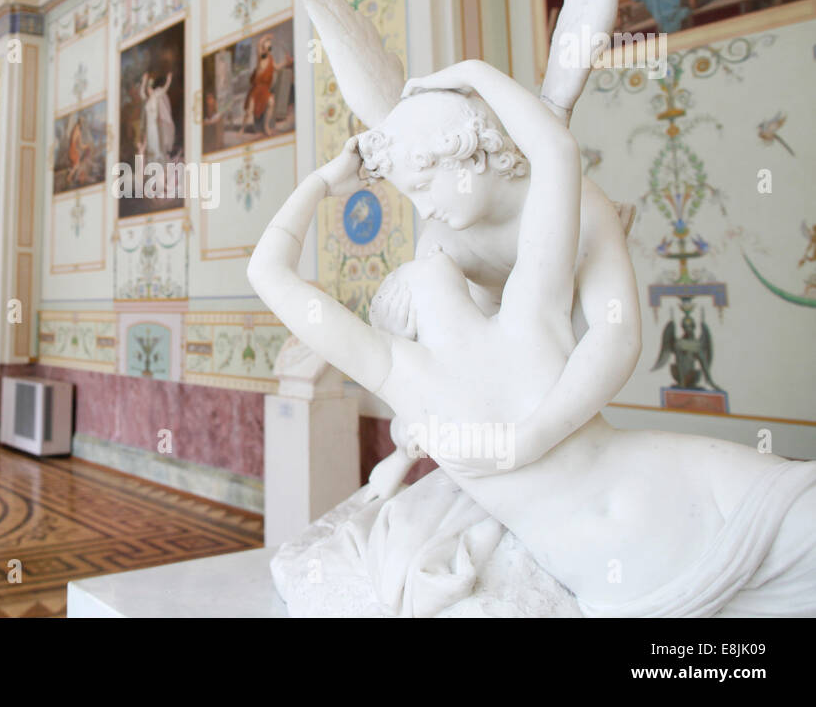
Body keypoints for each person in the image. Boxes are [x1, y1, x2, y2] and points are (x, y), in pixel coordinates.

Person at [249, 59, 816, 616]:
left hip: (688, 496)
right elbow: (268, 278)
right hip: (644, 546)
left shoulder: (520, 313)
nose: (428, 228)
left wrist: (468, 81)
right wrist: (329, 177)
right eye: (402, 279)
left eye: (423, 188)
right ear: (407, 321)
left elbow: (556, 155)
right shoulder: (421, 370)